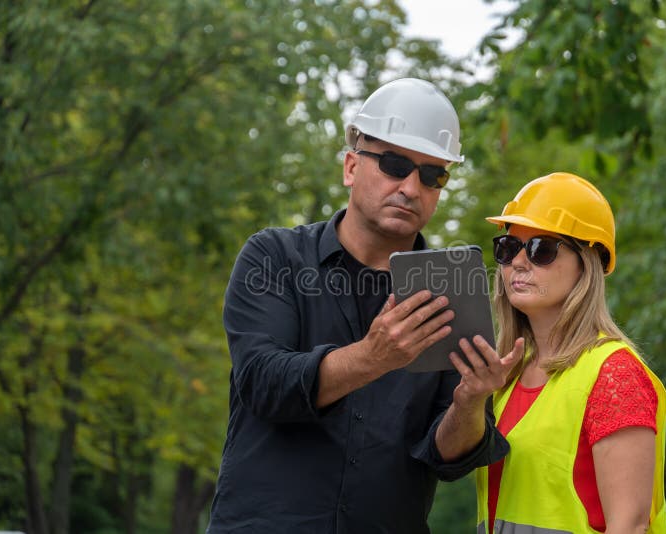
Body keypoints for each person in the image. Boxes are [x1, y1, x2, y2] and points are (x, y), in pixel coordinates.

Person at [206, 78, 520, 533]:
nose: (411, 187)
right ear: (351, 167)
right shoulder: (273, 258)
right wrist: (371, 358)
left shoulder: (449, 291)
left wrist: (470, 404)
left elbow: (448, 458)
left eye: (432, 175)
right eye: (395, 165)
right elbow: (263, 384)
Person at [455, 172, 666, 533]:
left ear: (587, 264)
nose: (518, 262)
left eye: (541, 249)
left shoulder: (613, 373)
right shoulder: (506, 376)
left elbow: (630, 525)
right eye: (508, 247)